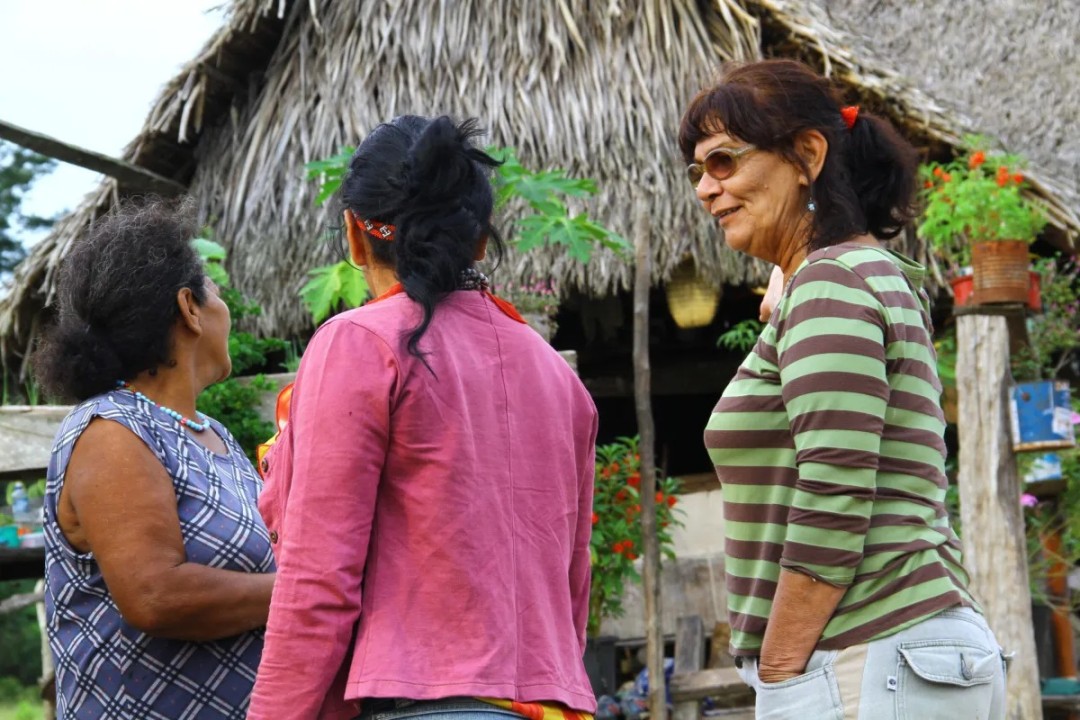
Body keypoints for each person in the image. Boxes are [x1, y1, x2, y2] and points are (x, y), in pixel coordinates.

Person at [681, 60, 1007, 718]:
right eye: (696, 172)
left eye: (723, 162)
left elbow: (834, 494)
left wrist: (778, 672)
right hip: (903, 658)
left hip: (866, 655)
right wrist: (789, 273)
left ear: (806, 154)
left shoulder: (832, 284)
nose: (705, 190)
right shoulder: (851, 276)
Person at [248, 115, 598, 720]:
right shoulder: (556, 375)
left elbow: (318, 582)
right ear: (481, 241)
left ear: (356, 236)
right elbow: (573, 582)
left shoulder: (359, 343)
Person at [35, 199, 276, 719]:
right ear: (189, 307)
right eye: (215, 293)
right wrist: (311, 592)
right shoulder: (112, 429)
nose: (225, 310)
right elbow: (156, 595)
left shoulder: (213, 435)